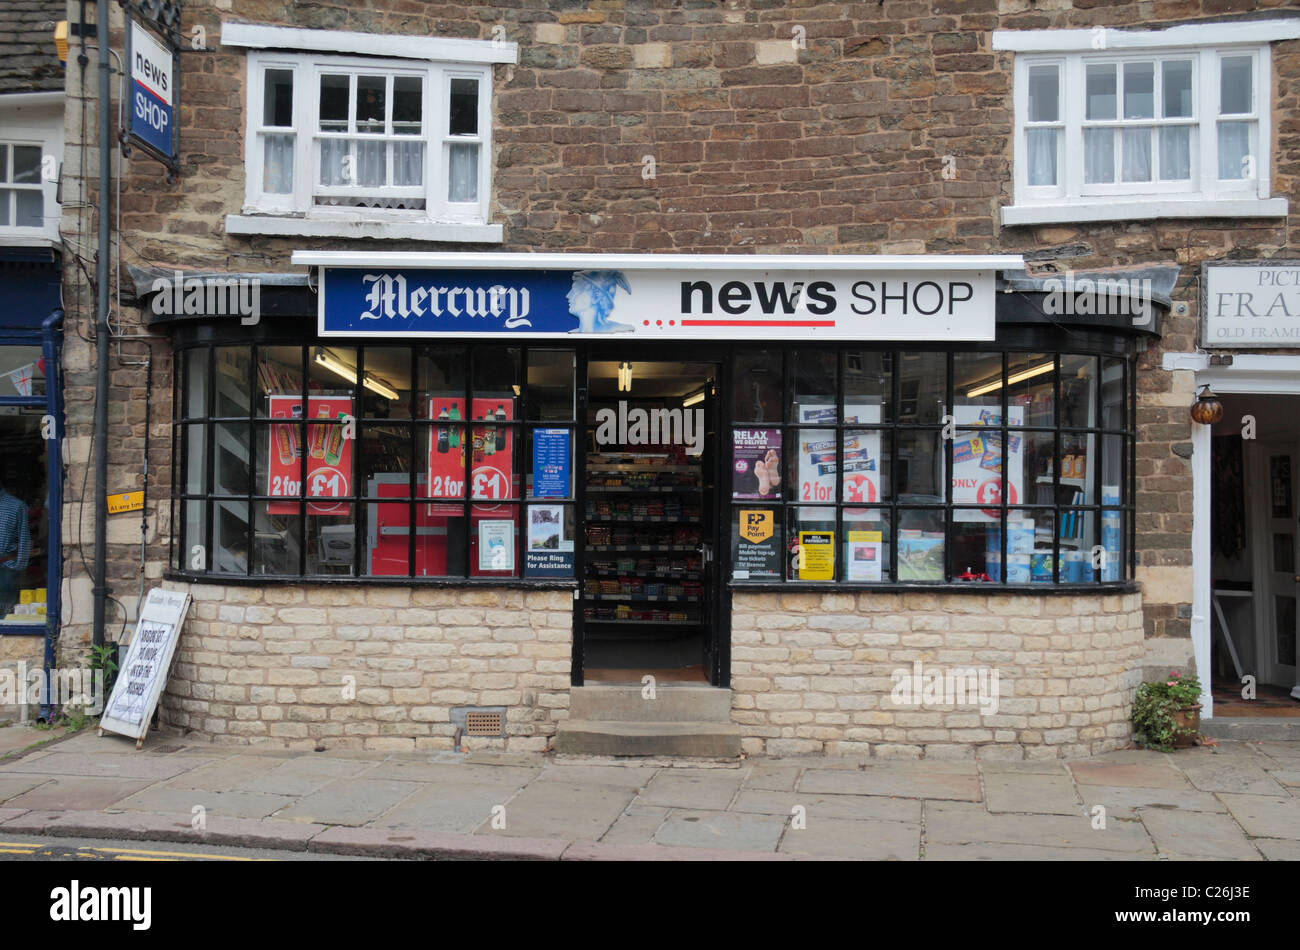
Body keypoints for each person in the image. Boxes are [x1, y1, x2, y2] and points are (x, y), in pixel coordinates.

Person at [0, 478, 30, 616]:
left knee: (6, 614)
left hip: (6, 568)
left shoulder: (17, 506)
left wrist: (18, 566)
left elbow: (24, 538)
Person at [566, 270, 632, 333]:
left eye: (576, 290)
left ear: (596, 297)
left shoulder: (621, 330)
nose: (568, 295)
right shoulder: (572, 334)